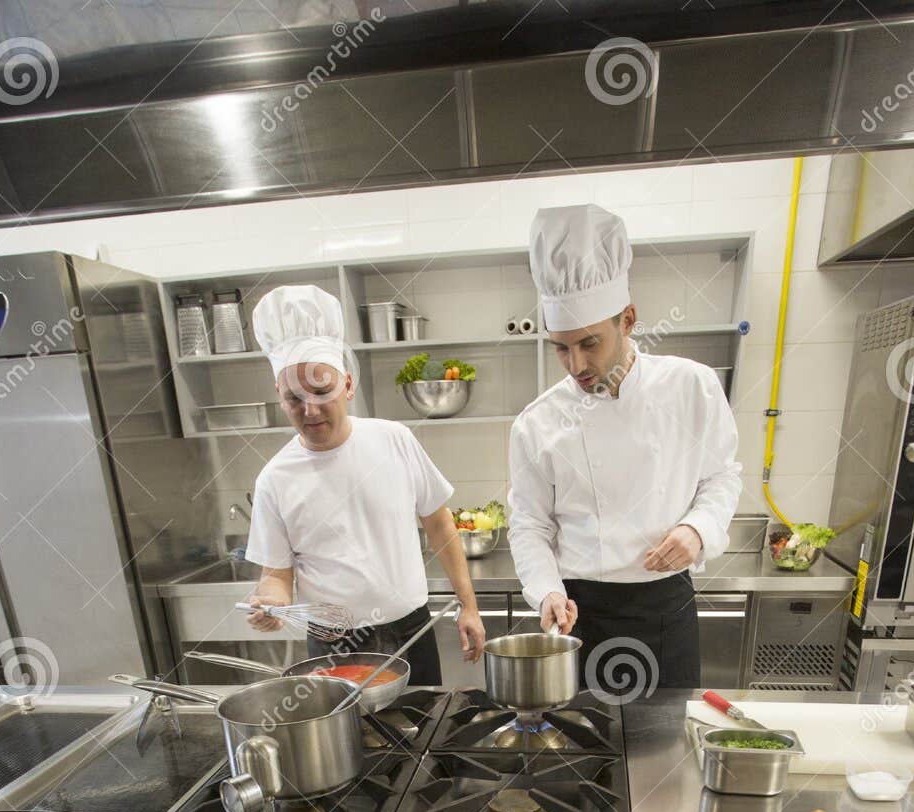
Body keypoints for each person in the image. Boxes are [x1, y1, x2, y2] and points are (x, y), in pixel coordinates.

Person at [507, 204, 742, 696]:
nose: (576, 364)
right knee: (583, 753)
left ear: (629, 319)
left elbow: (721, 477)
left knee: (664, 750)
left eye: (589, 343)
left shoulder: (691, 387)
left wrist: (697, 530)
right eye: (561, 347)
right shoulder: (537, 422)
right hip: (578, 615)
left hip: (665, 606)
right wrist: (547, 590)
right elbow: (529, 523)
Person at [245, 284, 485, 682]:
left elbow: (440, 524)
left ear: (348, 385)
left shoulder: (394, 439)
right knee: (347, 744)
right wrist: (271, 603)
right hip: (333, 644)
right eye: (293, 399)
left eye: (322, 391)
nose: (310, 410)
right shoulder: (275, 478)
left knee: (424, 734)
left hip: (410, 631)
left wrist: (469, 606)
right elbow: (277, 573)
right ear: (278, 394)